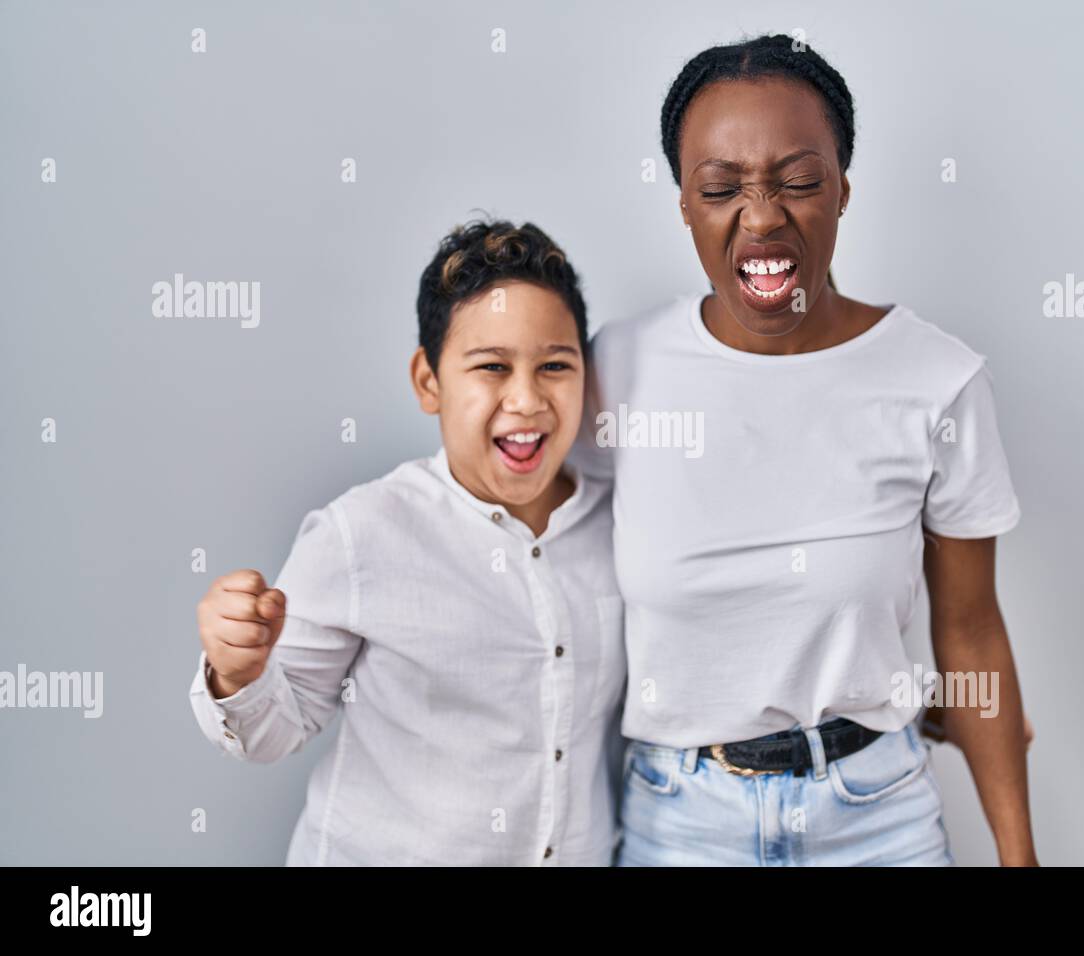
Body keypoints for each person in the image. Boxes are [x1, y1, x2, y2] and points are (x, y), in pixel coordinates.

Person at [572, 34, 1037, 866]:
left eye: (799, 182)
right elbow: (530, 541)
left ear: (844, 189)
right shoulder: (620, 368)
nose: (762, 217)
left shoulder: (939, 382)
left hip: (876, 817)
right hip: (679, 823)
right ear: (685, 202)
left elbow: (970, 631)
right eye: (721, 188)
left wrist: (1019, 855)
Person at [188, 219, 627, 865]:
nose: (527, 399)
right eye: (492, 367)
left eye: (555, 366)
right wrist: (237, 672)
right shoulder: (363, 532)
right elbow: (271, 732)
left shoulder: (619, 524)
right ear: (429, 382)